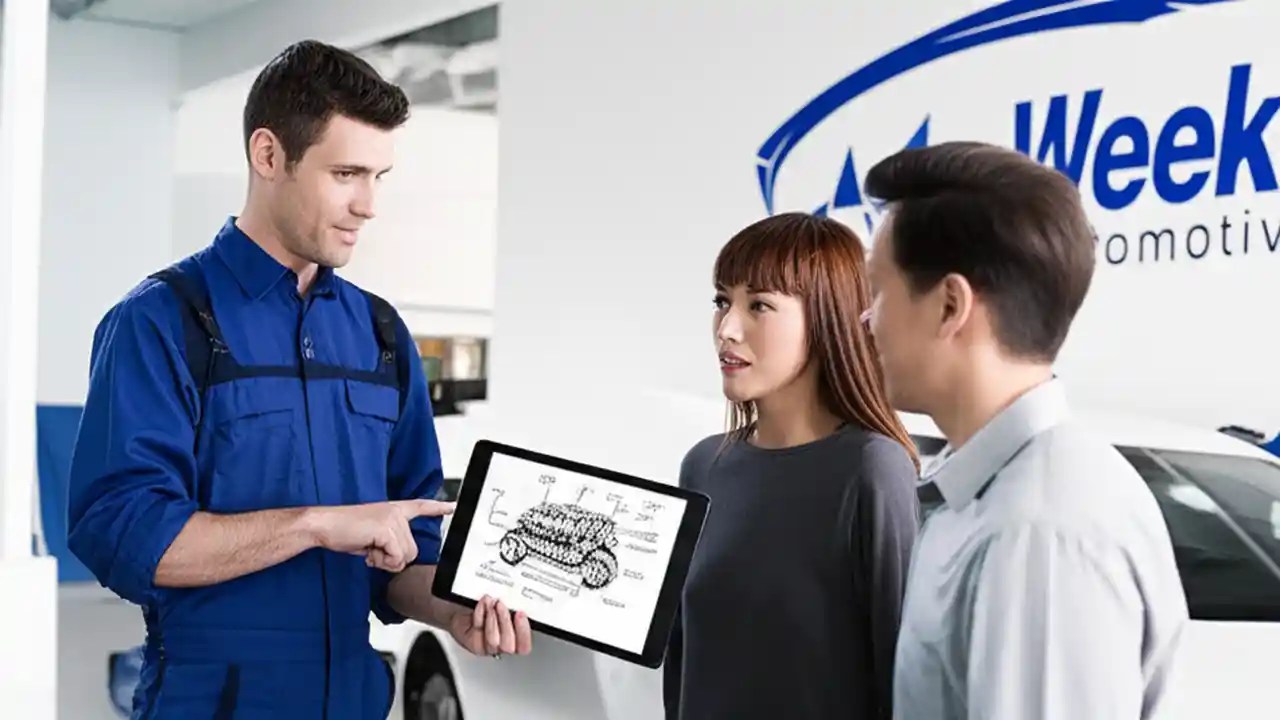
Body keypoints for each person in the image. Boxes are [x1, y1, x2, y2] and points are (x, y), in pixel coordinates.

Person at [66, 40, 531, 719]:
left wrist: (452, 610)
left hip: (354, 700)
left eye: (380, 176)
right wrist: (317, 525)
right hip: (212, 703)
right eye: (346, 173)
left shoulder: (380, 334)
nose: (368, 204)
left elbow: (405, 547)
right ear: (268, 155)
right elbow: (127, 535)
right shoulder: (161, 322)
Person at [861, 141, 1189, 719]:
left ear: (949, 307)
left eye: (878, 294)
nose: (866, 321)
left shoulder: (1036, 533)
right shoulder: (995, 496)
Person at [663, 212, 923, 720]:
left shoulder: (872, 470)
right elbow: (680, 663)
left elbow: (900, 682)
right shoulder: (703, 466)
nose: (727, 329)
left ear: (826, 319)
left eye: (759, 305)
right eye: (722, 302)